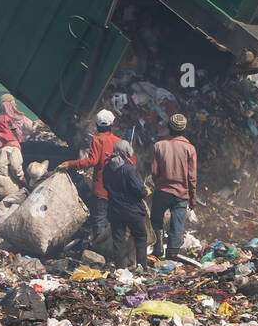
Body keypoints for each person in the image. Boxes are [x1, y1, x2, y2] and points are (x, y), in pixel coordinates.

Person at [58, 109, 121, 244]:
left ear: (97, 126)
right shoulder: (119, 141)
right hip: (116, 188)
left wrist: (70, 164)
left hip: (101, 188)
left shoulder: (97, 140)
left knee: (99, 219)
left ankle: (99, 249)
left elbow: (91, 161)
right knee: (112, 219)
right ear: (112, 125)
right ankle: (110, 247)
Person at [151, 113, 197, 259]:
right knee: (177, 226)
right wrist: (193, 197)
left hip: (162, 191)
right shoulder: (190, 148)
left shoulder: (159, 145)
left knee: (156, 220)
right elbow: (192, 177)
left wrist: (159, 185)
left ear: (169, 127)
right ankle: (172, 254)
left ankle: (157, 249)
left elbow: (154, 172)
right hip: (182, 194)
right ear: (183, 129)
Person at [102, 140, 148, 268]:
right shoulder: (128, 169)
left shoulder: (107, 168)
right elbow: (140, 191)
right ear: (126, 152)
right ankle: (141, 267)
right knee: (141, 236)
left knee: (118, 240)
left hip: (114, 210)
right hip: (132, 211)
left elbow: (105, 185)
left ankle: (120, 268)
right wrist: (145, 191)